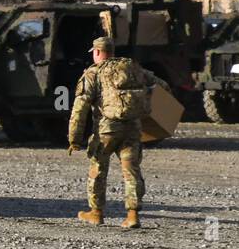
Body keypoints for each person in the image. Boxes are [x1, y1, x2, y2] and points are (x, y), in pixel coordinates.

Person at [67, 36, 170, 229]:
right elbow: (162, 85)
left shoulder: (93, 73)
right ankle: (132, 216)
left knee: (98, 169)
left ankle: (96, 213)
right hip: (132, 128)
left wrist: (74, 138)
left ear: (97, 52)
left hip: (106, 130)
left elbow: (80, 108)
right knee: (131, 171)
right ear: (112, 52)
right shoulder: (133, 69)